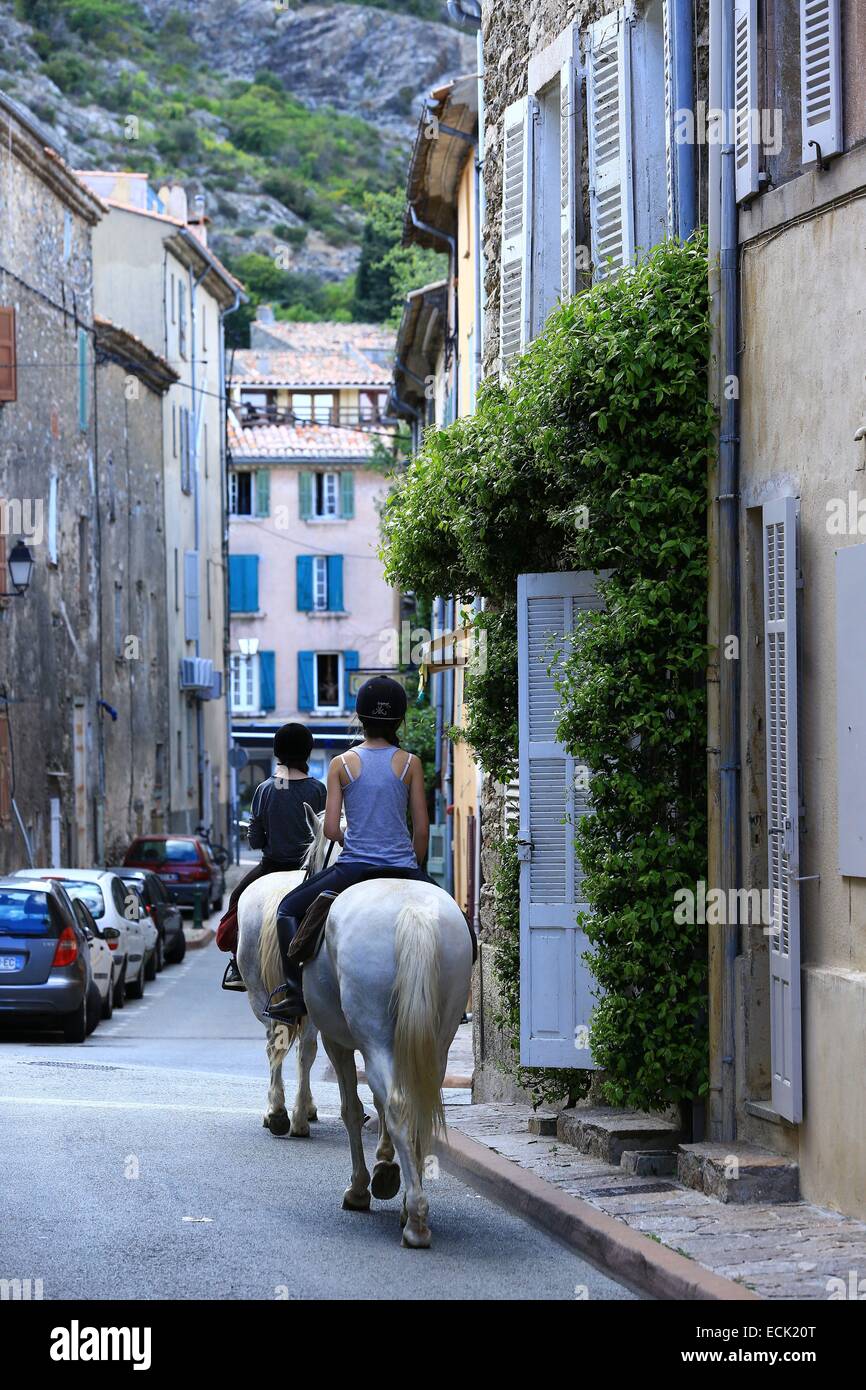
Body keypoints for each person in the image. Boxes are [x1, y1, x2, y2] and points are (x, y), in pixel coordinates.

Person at [265, 675, 432, 1021]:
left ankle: (295, 995)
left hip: (354, 868)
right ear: (399, 720)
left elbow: (329, 829)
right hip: (403, 867)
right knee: (460, 929)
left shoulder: (340, 764)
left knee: (286, 909)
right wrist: (414, 867)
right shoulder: (410, 763)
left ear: (359, 718)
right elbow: (422, 828)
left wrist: (349, 837)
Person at [217, 723, 326, 990]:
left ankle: (236, 965)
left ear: (278, 754)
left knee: (236, 899)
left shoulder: (266, 788)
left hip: (272, 867)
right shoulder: (318, 790)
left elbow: (256, 840)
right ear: (307, 753)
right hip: (308, 872)